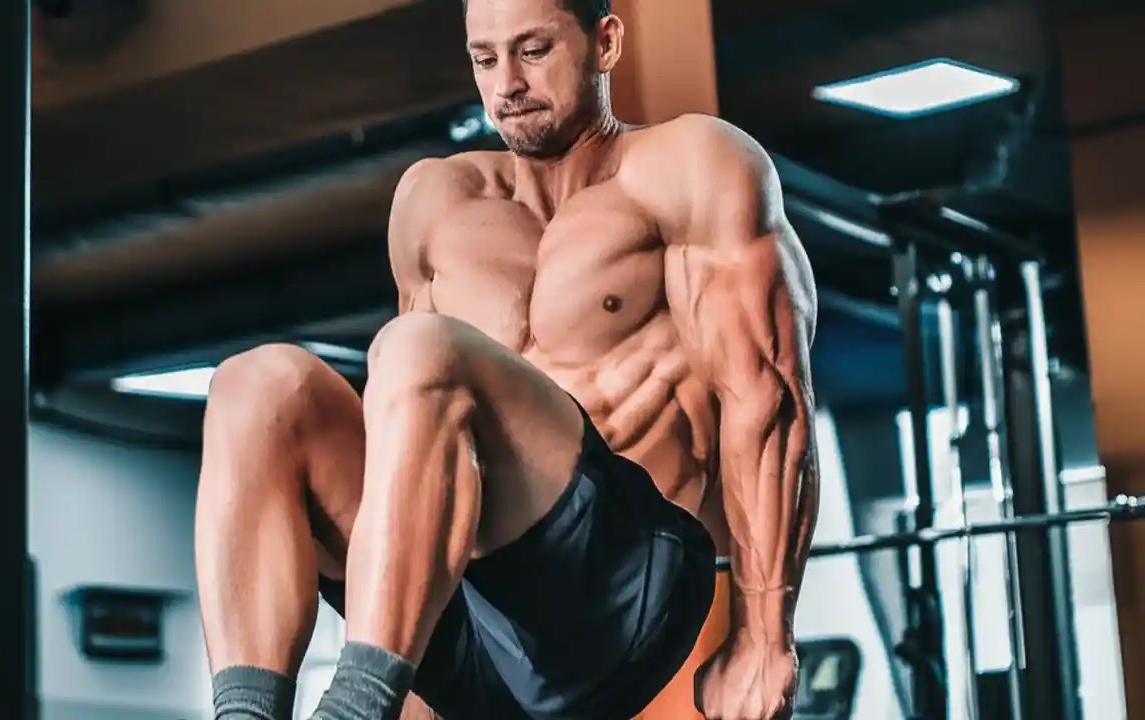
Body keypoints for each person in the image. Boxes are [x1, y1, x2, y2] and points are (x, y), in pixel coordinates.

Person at [196, 0, 820, 718]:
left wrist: (765, 640)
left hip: (619, 597)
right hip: (473, 610)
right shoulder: (436, 201)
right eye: (486, 58)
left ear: (606, 44)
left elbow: (769, 403)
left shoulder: (691, 168)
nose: (508, 82)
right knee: (257, 383)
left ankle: (352, 707)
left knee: (419, 349)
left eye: (533, 50)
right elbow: (408, 455)